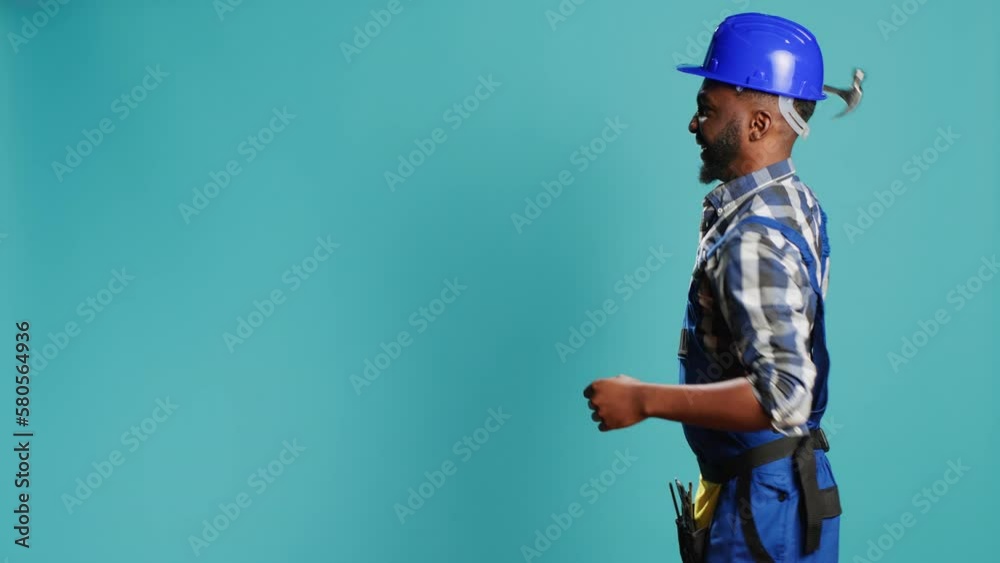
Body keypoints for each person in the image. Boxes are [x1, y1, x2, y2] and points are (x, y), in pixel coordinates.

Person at [583, 13, 842, 563]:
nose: (694, 124)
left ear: (758, 123)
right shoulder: (794, 201)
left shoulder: (753, 238)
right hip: (772, 490)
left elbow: (785, 398)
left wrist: (643, 399)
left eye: (707, 108)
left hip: (762, 506)